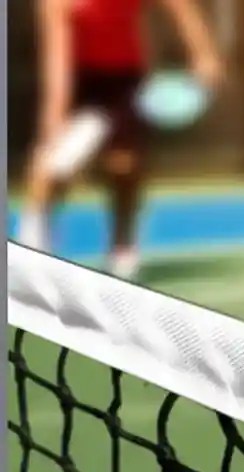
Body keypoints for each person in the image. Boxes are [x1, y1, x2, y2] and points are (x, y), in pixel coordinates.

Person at [19, 0, 224, 279]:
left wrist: (204, 55)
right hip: (81, 81)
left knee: (125, 166)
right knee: (51, 168)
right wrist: (54, 115)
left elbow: (180, 6)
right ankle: (33, 246)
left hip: (124, 82)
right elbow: (58, 57)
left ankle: (123, 248)